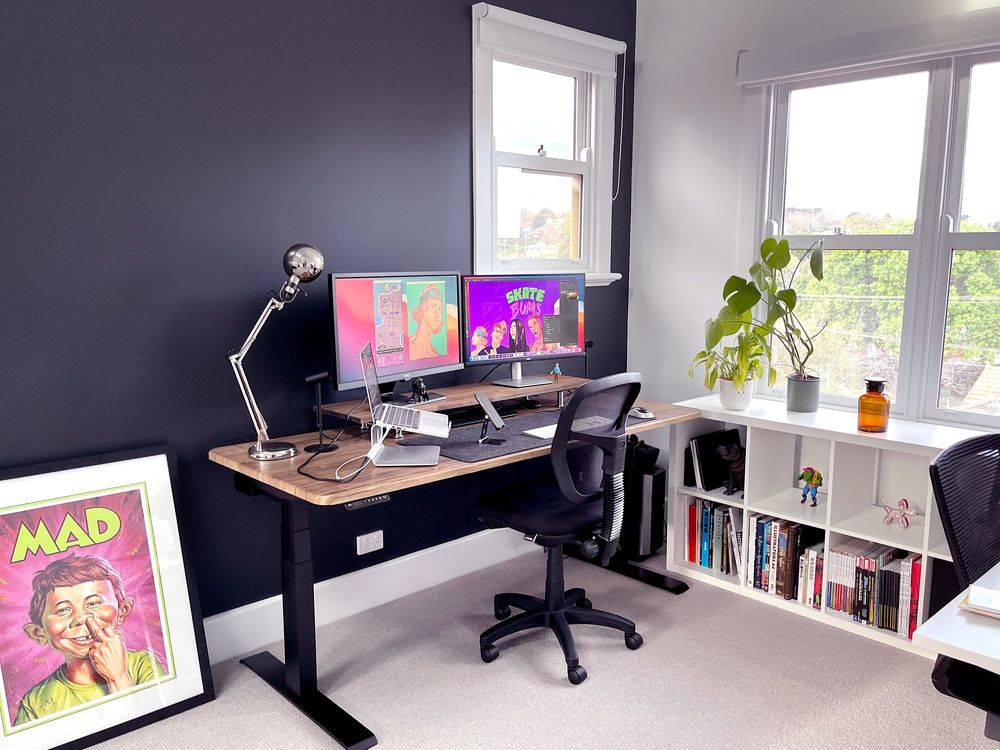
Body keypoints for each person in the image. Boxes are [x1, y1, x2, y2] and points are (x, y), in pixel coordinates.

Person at [16, 553, 166, 724]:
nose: (81, 618)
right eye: (62, 610)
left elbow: (157, 726)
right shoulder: (35, 702)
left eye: (94, 603)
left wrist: (118, 677)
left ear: (122, 611)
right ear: (38, 632)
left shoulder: (143, 665)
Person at [408, 285, 445, 360]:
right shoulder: (406, 347)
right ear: (423, 306)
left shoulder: (437, 356)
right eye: (433, 305)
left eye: (440, 309)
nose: (437, 313)